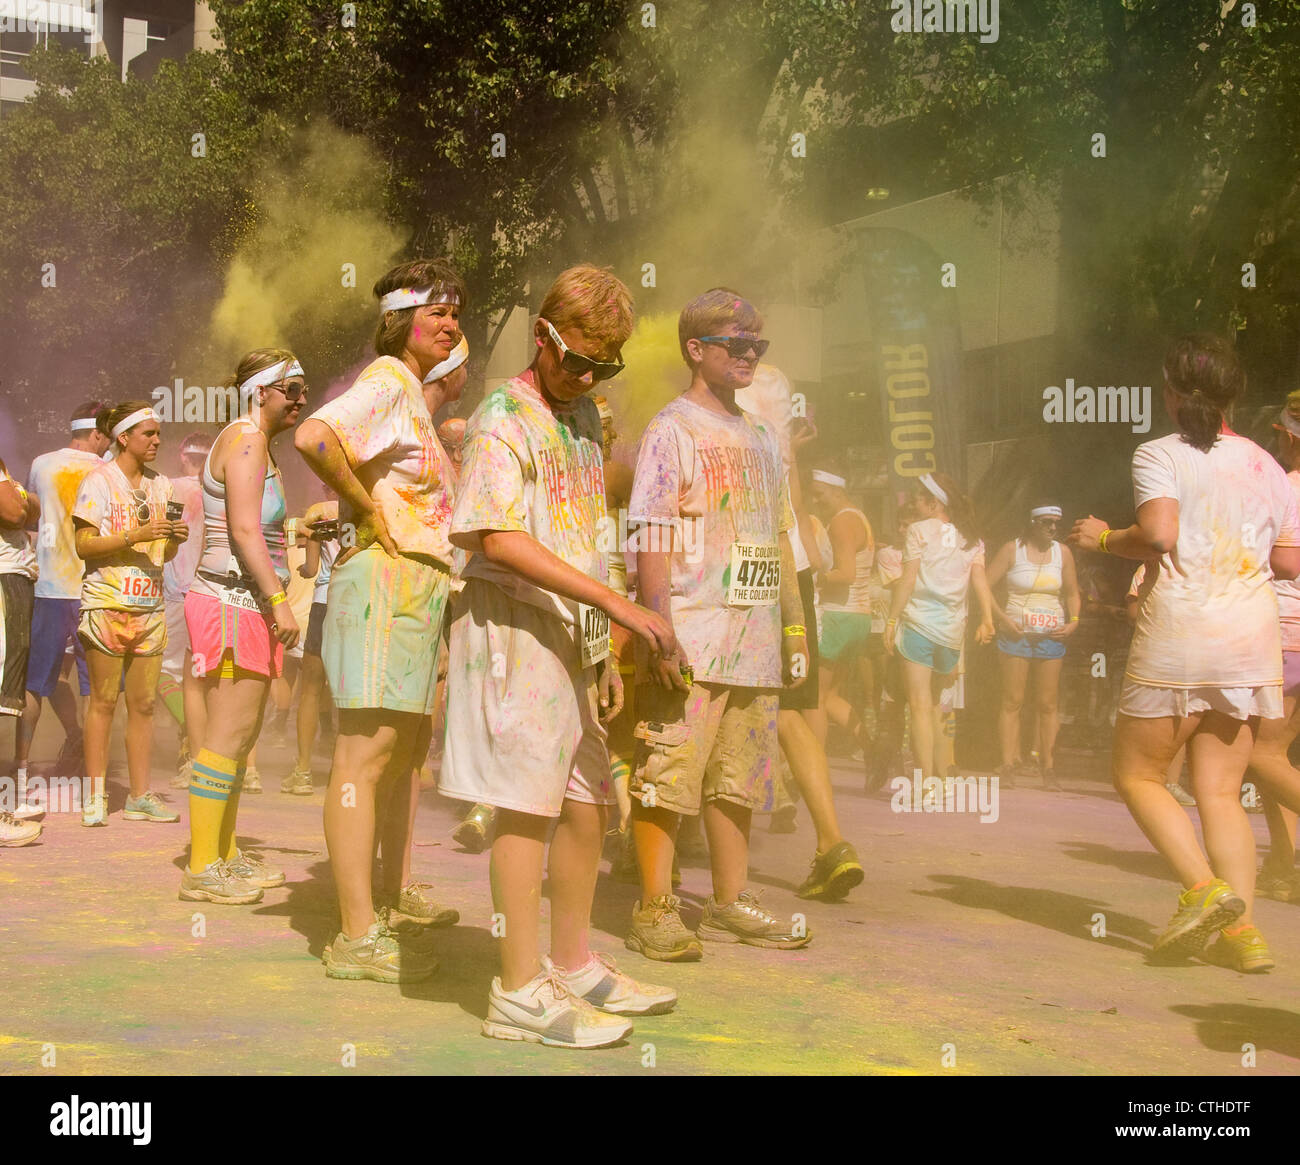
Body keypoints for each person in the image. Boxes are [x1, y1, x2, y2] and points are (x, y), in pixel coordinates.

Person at [440, 263, 679, 1047]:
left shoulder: (582, 419)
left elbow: (583, 534)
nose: (584, 375)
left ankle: (571, 962)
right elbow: (496, 535)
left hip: (567, 636)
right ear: (541, 336)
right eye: (574, 358)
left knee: (585, 802)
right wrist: (616, 604)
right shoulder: (502, 415)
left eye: (603, 366)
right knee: (527, 803)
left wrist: (601, 647)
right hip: (511, 627)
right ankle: (516, 988)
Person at [1070, 334, 1300, 974]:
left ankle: (1204, 891)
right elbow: (1287, 560)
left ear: (1171, 392)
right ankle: (1245, 936)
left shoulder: (1160, 454)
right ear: (1236, 393)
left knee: (1139, 776)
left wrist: (1104, 536)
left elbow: (1160, 536)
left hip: (1182, 631)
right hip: (1251, 636)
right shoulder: (1265, 465)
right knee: (1222, 793)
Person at [625, 287, 815, 962]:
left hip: (754, 642)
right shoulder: (670, 429)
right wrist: (658, 626)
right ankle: (654, 907)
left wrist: (792, 629)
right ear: (695, 350)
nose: (750, 355)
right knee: (667, 773)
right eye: (737, 344)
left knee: (739, 778)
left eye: (757, 345)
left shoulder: (762, 436)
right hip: (694, 638)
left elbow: (779, 534)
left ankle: (731, 900)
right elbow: (650, 531)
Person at [297, 261, 465, 979]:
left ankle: (377, 909)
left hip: (414, 590)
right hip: (381, 587)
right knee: (361, 759)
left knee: (394, 758)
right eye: (438, 312)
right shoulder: (387, 382)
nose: (453, 323)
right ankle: (355, 936)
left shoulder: (411, 400)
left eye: (457, 312)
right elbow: (313, 437)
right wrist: (365, 509)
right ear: (401, 321)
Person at [181, 352, 305, 903]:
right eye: (292, 389)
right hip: (232, 601)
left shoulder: (254, 441)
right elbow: (244, 531)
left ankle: (224, 854)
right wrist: (280, 601)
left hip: (241, 601)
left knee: (242, 735)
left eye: (304, 388)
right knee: (227, 736)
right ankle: (202, 867)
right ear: (261, 392)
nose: (302, 398)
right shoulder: (248, 440)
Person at [735, 374, 862, 901]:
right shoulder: (773, 387)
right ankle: (832, 843)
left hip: (741, 565)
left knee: (718, 696)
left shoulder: (716, 399)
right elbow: (789, 494)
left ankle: (670, 858)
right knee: (789, 711)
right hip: (792, 567)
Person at [73, 403, 187, 827]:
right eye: (149, 434)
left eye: (158, 434)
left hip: (150, 605)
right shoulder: (98, 481)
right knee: (103, 702)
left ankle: (139, 795)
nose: (158, 441)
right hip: (107, 602)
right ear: (124, 438)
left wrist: (174, 538)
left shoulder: (165, 486)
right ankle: (96, 796)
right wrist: (133, 535)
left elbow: (166, 553)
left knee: (143, 705)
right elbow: (83, 544)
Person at [21, 401, 109, 809]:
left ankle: (20, 771)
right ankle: (97, 781)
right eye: (108, 434)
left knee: (38, 681)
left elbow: (32, 516)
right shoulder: (110, 469)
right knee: (100, 689)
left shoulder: (41, 463)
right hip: (96, 588)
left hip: (50, 587)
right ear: (97, 434)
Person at [884, 472, 995, 782]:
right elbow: (980, 582)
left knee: (918, 707)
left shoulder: (918, 531)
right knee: (936, 707)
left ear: (933, 503)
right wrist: (987, 619)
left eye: (918, 498)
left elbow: (907, 580)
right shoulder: (971, 537)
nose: (914, 503)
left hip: (919, 625)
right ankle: (939, 780)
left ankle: (924, 784)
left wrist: (891, 619)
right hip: (951, 634)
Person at [985, 503, 1081, 790]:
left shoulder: (1062, 553)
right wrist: (1000, 619)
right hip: (1017, 632)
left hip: (1050, 633)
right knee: (1012, 700)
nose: (1053, 528)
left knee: (1048, 703)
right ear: (1032, 524)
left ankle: (1048, 767)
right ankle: (1007, 764)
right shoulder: (1012, 549)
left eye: (1056, 523)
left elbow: (1073, 593)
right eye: (1046, 523)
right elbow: (984, 585)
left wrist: (1074, 621)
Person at [1247, 390, 1300, 899]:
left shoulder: (1282, 489)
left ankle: (1286, 866)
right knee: (1280, 756)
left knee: (1260, 756)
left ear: (1286, 435)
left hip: (1285, 632)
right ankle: (1284, 868)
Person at [161, 433, 210, 791]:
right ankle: (199, 747)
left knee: (164, 674)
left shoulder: (168, 488)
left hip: (175, 591)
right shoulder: (218, 490)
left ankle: (194, 746)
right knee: (201, 677)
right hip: (209, 593)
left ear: (182, 457)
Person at [284, 493, 339, 795]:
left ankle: (303, 770)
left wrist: (304, 571)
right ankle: (344, 772)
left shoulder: (320, 511)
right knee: (346, 693)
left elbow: (312, 566)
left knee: (311, 689)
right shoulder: (371, 505)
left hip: (323, 602)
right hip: (355, 604)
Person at [0, 456, 40, 845]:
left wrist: (23, 500)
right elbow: (18, 512)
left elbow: (32, 508)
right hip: (5, 580)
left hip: (12, 579)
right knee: (2, 696)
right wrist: (21, 500)